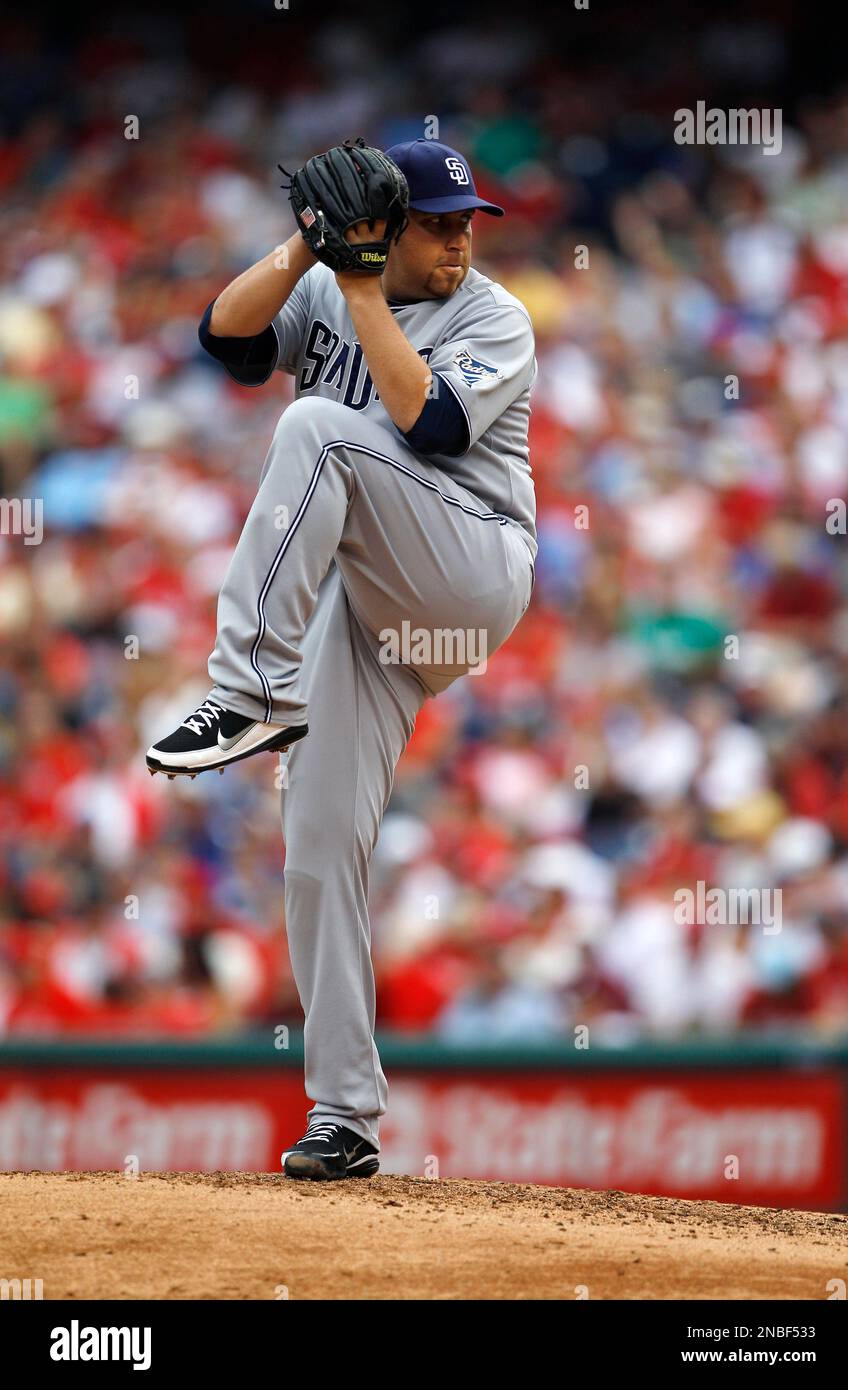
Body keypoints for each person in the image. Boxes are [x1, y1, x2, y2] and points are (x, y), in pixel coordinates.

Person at [145, 138, 537, 1179]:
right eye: (436, 222)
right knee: (316, 845)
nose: (457, 239)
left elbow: (434, 425)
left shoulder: (491, 313)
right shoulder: (326, 281)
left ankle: (246, 689)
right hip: (366, 603)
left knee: (318, 424)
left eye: (465, 222)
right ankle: (344, 1113)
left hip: (467, 562)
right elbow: (223, 339)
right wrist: (302, 248)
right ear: (380, 224)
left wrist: (358, 283)